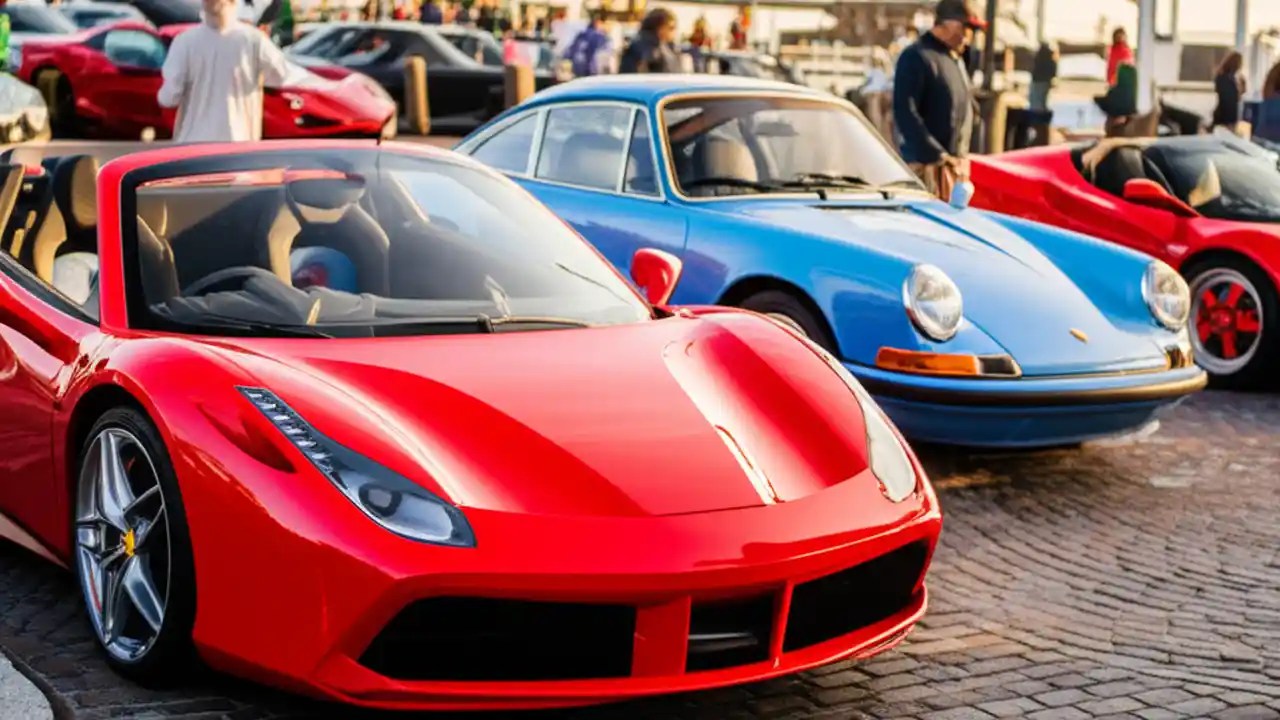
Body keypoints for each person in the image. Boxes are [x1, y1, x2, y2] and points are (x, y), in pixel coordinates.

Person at [157, 0, 291, 143]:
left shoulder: (184, 41)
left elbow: (168, 98)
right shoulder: (255, 40)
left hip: (193, 144)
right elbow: (282, 76)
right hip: (239, 142)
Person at [892, 0, 984, 198]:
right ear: (950, 24)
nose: (970, 37)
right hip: (927, 168)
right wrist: (936, 154)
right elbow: (905, 111)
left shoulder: (956, 59)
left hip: (956, 167)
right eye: (967, 28)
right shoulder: (916, 57)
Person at [619, 8, 680, 74]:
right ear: (660, 28)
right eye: (671, 28)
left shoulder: (662, 46)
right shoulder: (649, 51)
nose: (674, 32)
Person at [564, 11, 611, 77]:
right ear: (598, 23)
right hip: (591, 69)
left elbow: (569, 52)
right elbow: (603, 54)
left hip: (577, 67)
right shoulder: (599, 36)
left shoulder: (581, 34)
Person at [1211, 51, 1245, 132]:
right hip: (1226, 116)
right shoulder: (1225, 78)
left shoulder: (1227, 78)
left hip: (1226, 114)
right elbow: (1229, 98)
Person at [1030, 41, 1058, 112]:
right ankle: (1042, 111)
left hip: (1037, 81)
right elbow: (1053, 71)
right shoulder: (1050, 59)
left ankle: (1038, 111)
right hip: (1045, 81)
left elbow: (1033, 69)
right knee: (1042, 99)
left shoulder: (1037, 58)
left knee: (1036, 100)